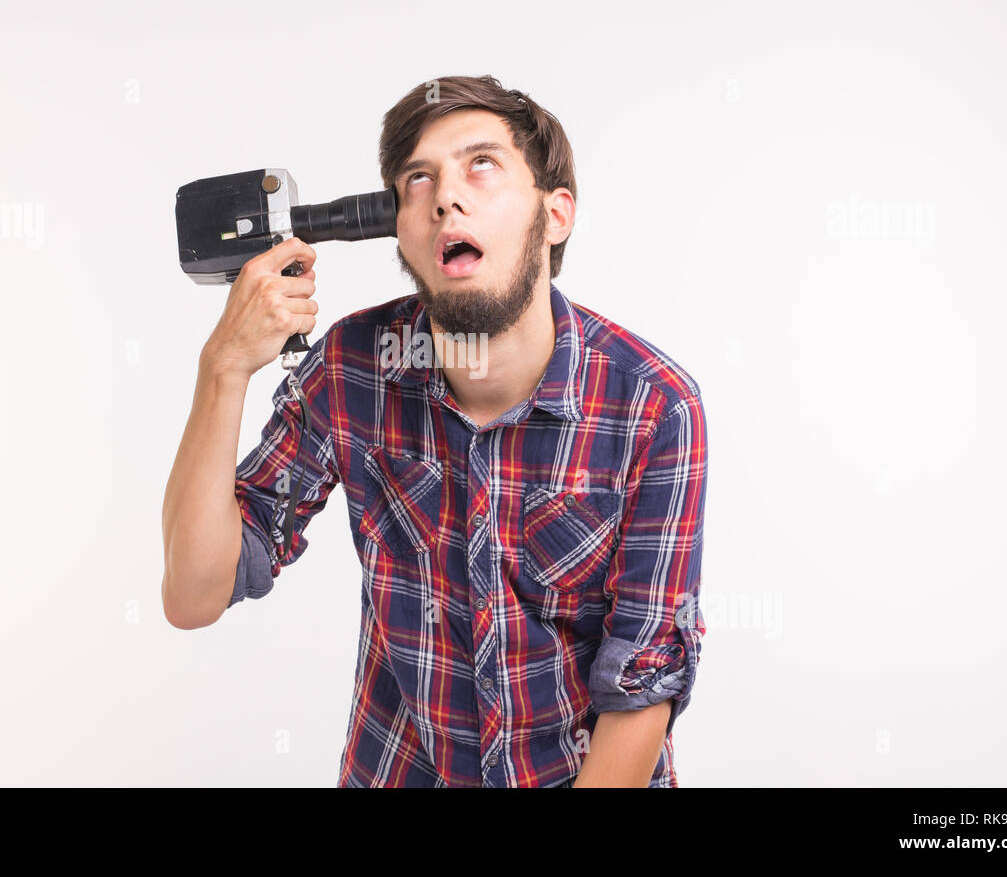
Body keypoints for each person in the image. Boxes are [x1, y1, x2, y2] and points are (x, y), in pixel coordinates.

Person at [161, 75, 708, 788]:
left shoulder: (653, 408)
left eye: (482, 164)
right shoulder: (353, 371)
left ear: (556, 215)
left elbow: (641, 688)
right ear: (402, 232)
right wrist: (224, 366)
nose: (447, 194)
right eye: (419, 179)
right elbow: (194, 594)